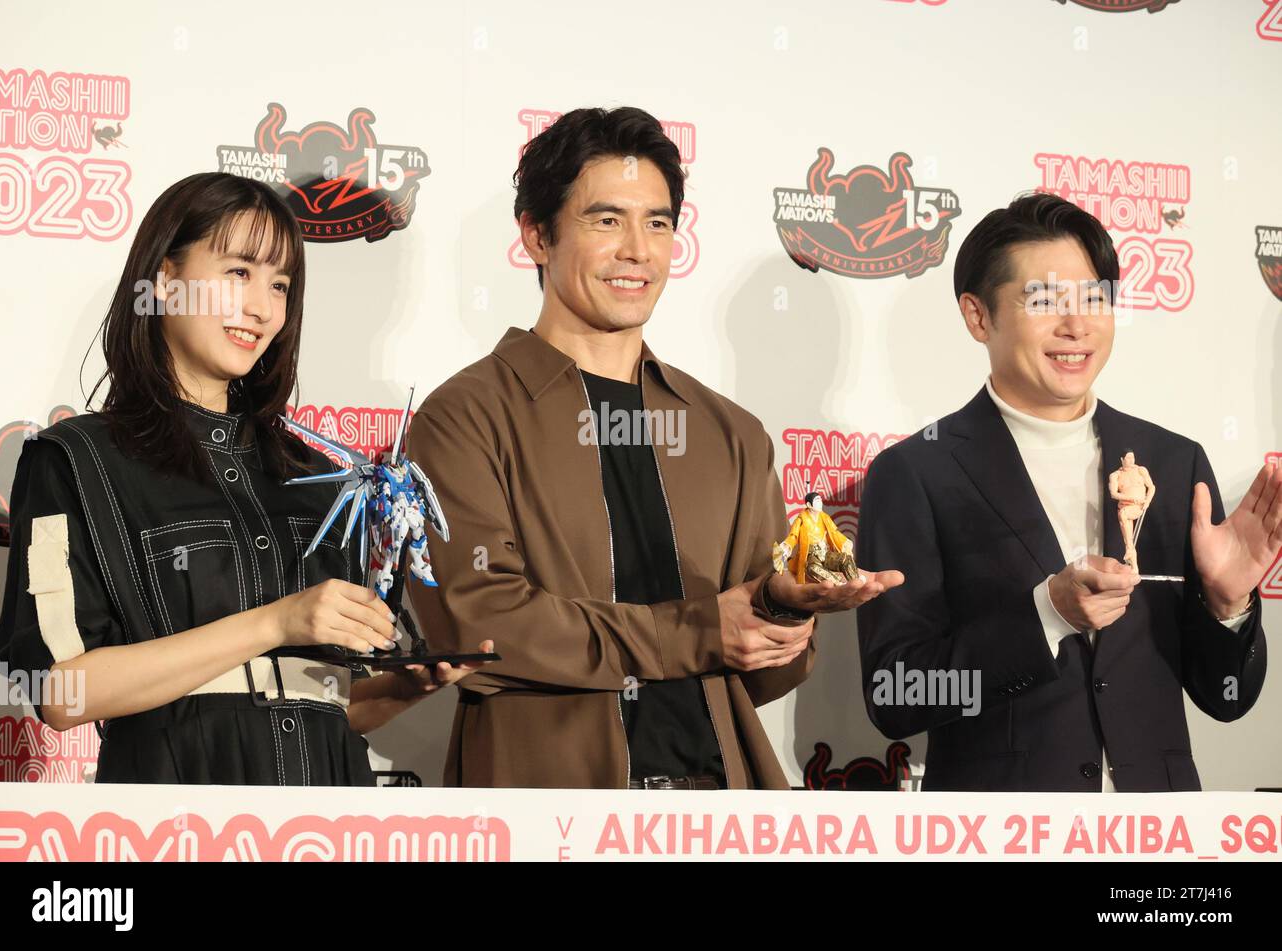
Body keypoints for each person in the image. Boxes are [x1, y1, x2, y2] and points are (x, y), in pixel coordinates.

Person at [406, 106, 902, 790]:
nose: (637, 250)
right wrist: (698, 629)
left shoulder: (731, 434)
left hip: (720, 816)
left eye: (658, 222)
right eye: (606, 220)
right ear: (537, 235)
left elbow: (764, 676)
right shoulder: (464, 417)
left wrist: (783, 609)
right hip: (547, 816)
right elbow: (474, 627)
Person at [0, 172, 491, 785]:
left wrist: (404, 689)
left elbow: (333, 709)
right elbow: (57, 692)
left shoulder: (322, 479)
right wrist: (278, 621)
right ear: (166, 280)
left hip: (330, 819)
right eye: (237, 273)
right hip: (173, 821)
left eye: (280, 285)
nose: (261, 307)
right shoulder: (75, 461)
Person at [856, 192, 1273, 792]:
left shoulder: (1174, 464)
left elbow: (1226, 699)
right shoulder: (917, 472)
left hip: (1156, 839)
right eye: (1045, 300)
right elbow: (894, 695)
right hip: (1001, 836)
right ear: (978, 317)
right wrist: (1045, 616)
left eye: (1094, 299)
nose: (1076, 325)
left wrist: (1228, 607)